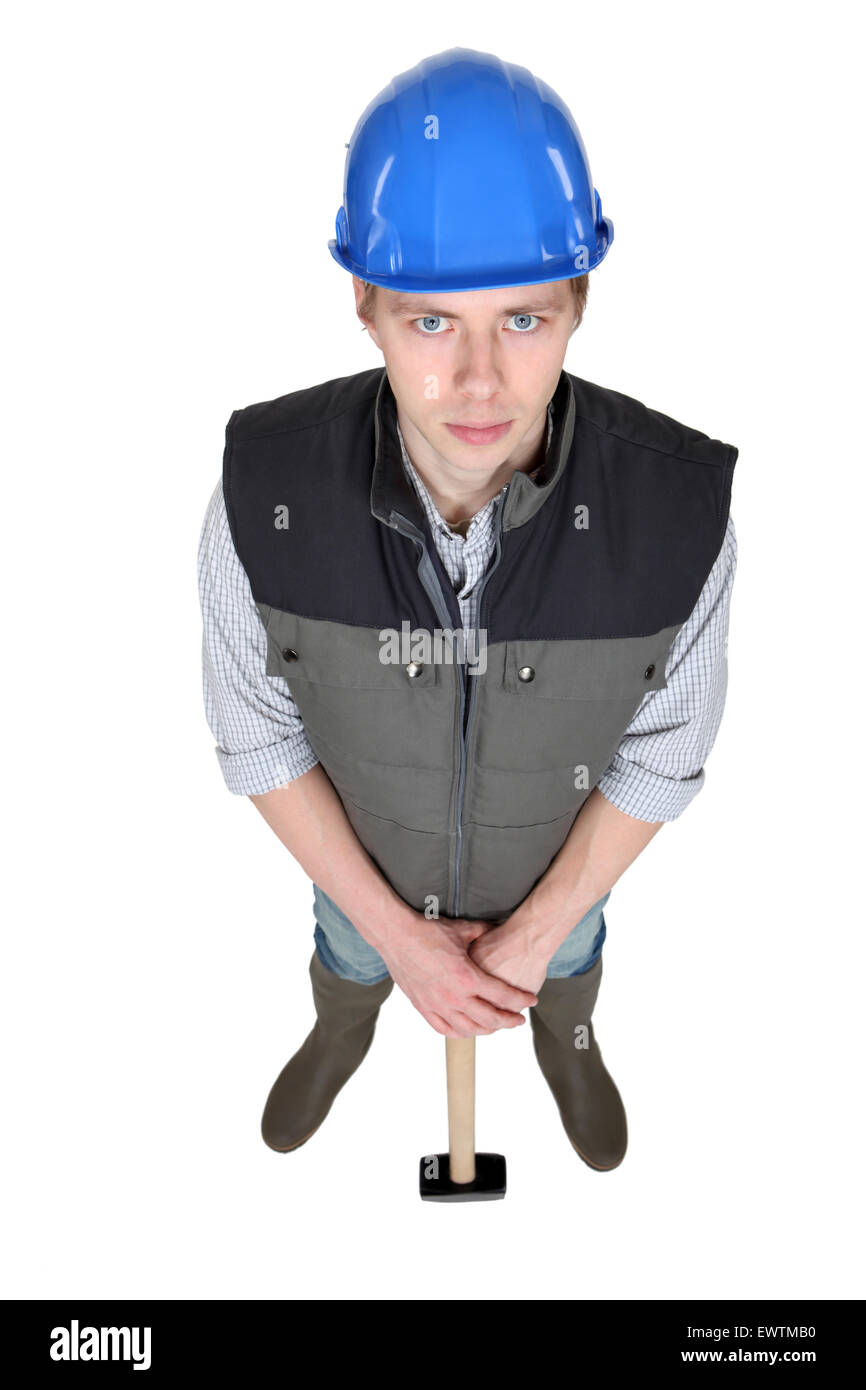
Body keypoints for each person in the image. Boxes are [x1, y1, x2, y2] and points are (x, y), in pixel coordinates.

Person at [197, 48, 737, 1172]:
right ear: (367, 306)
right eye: (432, 324)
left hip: (557, 879)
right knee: (347, 955)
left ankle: (566, 1036)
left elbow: (665, 748)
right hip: (366, 877)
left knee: (572, 960)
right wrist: (405, 945)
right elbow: (256, 736)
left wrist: (532, 937)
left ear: (578, 300)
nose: (480, 380)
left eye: (524, 321)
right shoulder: (265, 488)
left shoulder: (677, 510)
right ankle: (341, 1027)